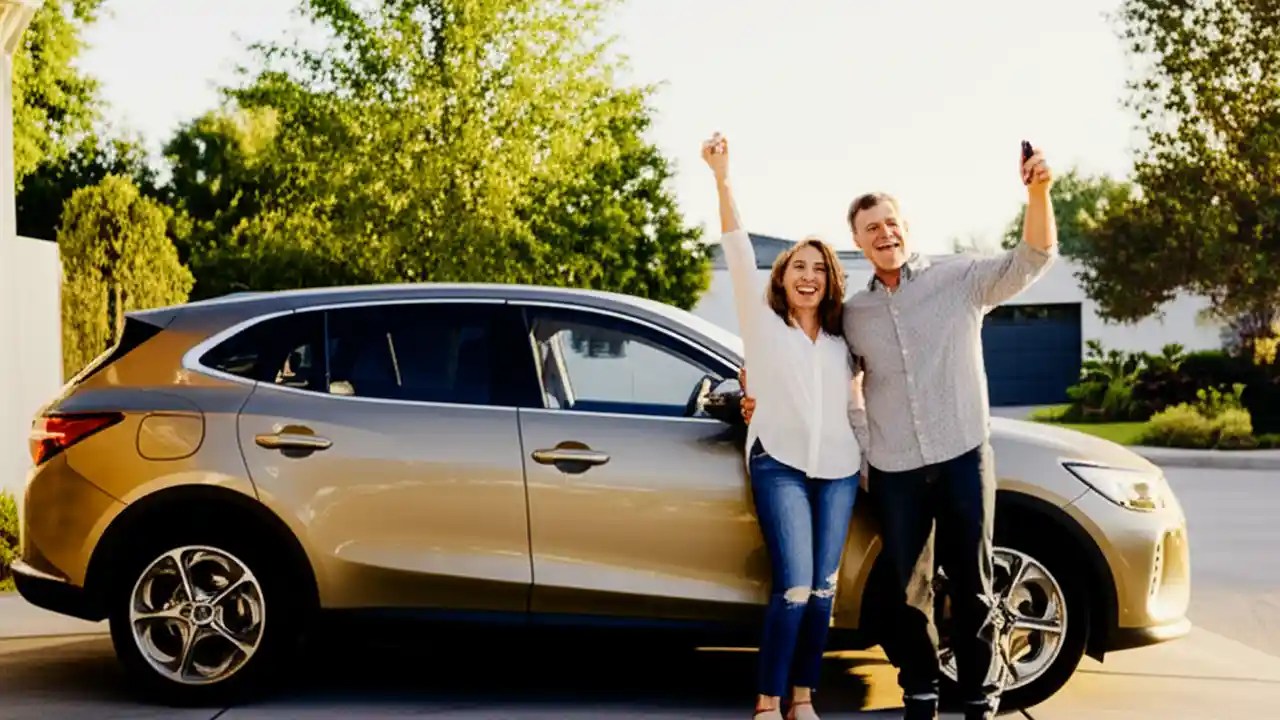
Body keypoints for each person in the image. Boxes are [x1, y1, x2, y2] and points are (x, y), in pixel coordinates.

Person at [741, 147, 1058, 720]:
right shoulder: (855, 314)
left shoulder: (959, 278)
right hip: (895, 469)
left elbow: (1033, 257)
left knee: (974, 583)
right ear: (858, 244)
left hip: (963, 454)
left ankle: (980, 697)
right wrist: (851, 441)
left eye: (890, 223)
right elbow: (828, 375)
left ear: (906, 228)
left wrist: (1038, 193)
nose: (883, 233)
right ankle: (920, 689)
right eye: (870, 229)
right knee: (910, 592)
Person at [701, 132, 869, 720]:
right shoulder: (763, 326)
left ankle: (803, 697)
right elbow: (739, 249)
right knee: (794, 586)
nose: (809, 275)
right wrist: (723, 177)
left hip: (840, 470)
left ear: (830, 281)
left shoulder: (846, 337)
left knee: (825, 590)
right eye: (799, 265)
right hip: (782, 466)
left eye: (819, 268)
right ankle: (768, 701)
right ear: (782, 276)